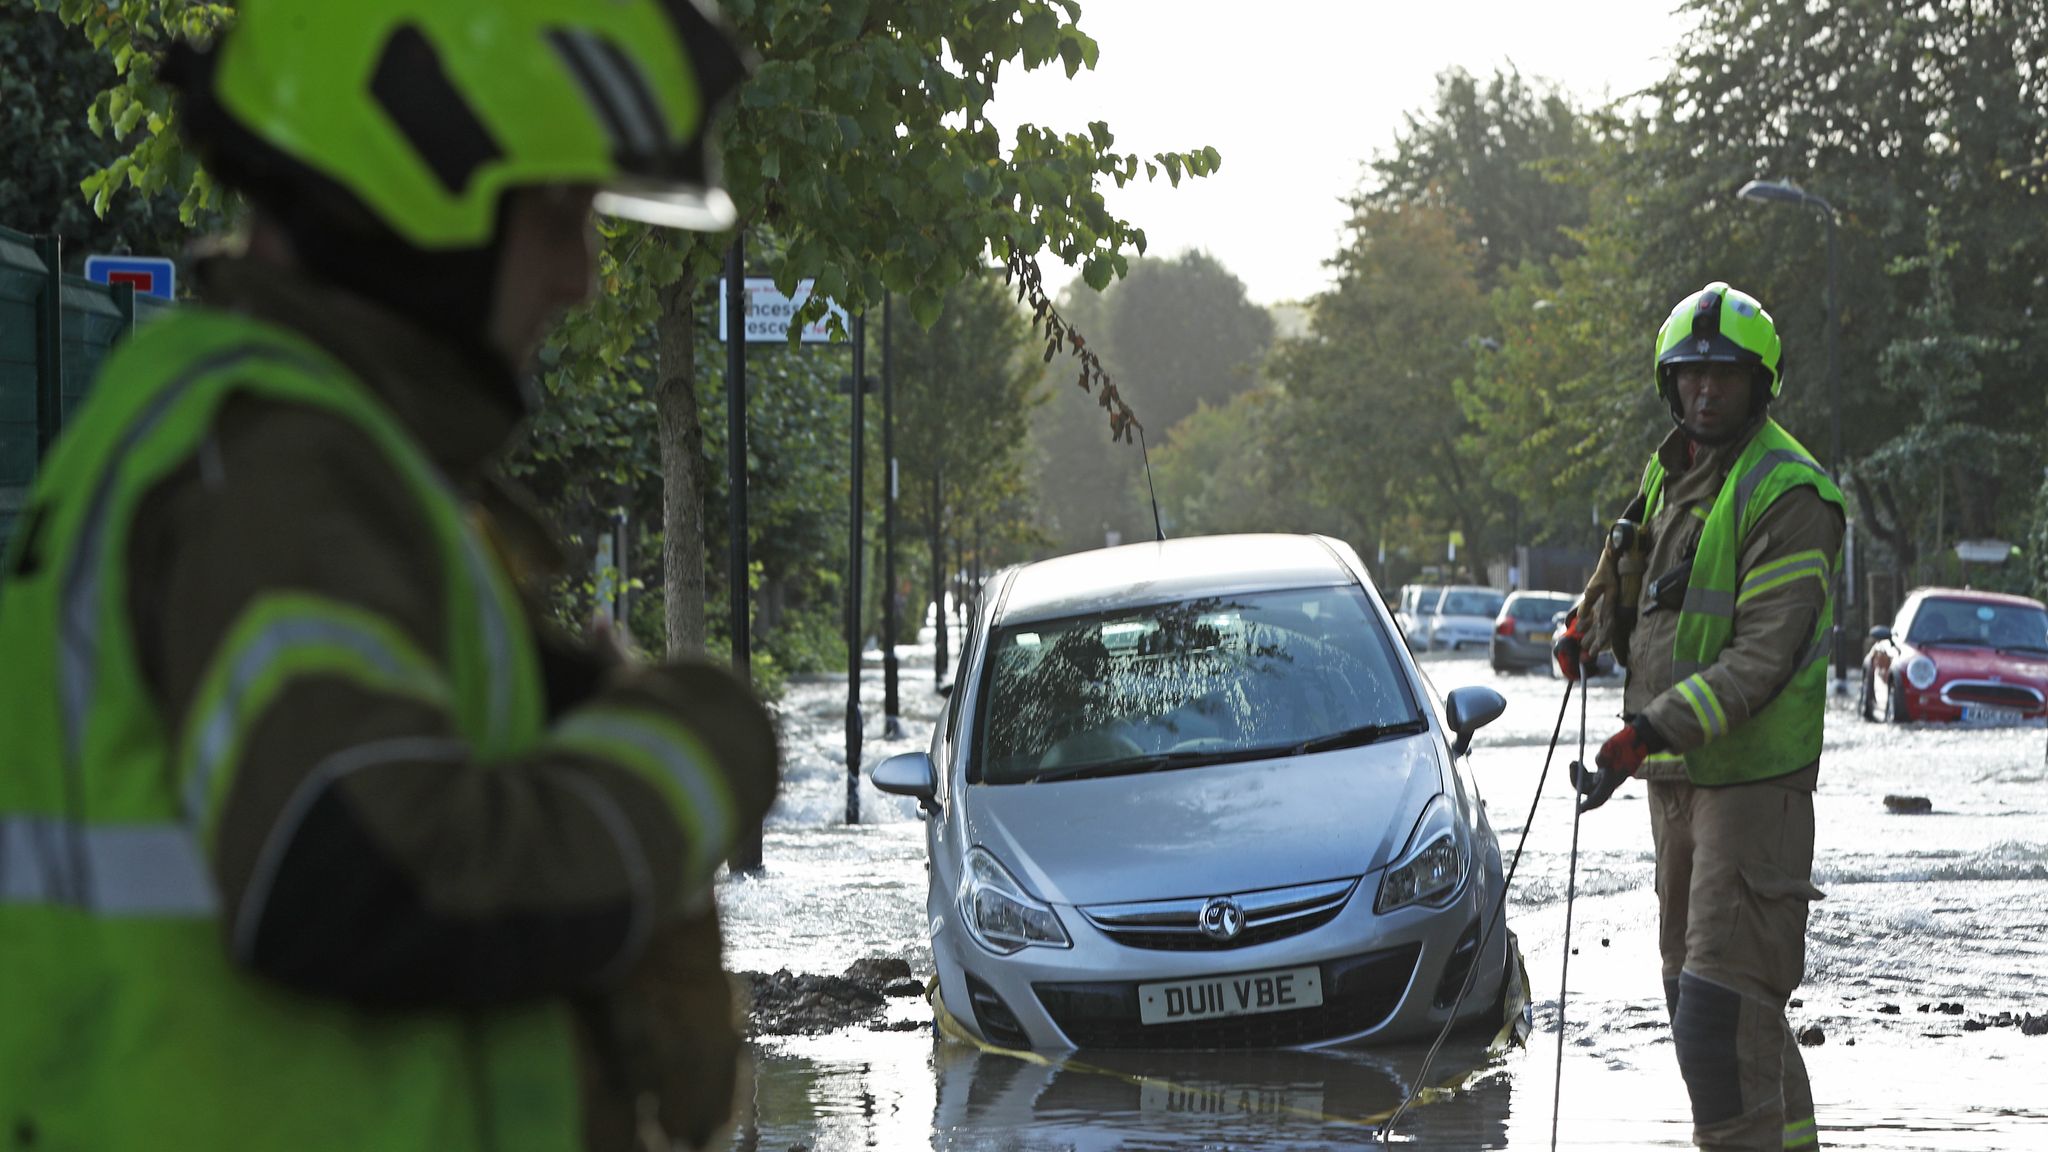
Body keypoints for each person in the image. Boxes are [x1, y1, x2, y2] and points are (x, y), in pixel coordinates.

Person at [0, 2, 776, 1149]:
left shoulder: (273, 444)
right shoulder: (280, 463)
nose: (582, 279)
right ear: (419, 171)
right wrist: (697, 751)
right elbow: (361, 868)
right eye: (560, 212)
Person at [1556, 282, 1844, 1151]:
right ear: (1669, 384)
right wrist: (1584, 625)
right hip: (1676, 782)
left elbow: (1757, 660)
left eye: (1724, 376)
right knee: (1716, 1005)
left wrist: (1647, 731)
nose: (1706, 392)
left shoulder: (1792, 493)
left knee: (1718, 1017)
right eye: (1689, 376)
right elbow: (1640, 585)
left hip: (1753, 787)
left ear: (1761, 386)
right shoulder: (1671, 468)